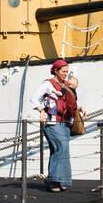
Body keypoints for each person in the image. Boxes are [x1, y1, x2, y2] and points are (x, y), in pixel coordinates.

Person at [30, 59, 75, 191]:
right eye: (63, 71)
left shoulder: (66, 85)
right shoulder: (48, 84)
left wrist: (80, 109)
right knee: (62, 146)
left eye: (67, 71)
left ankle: (60, 180)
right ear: (56, 71)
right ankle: (54, 179)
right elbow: (34, 98)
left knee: (60, 149)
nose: (65, 74)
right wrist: (41, 111)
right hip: (51, 121)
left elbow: (70, 101)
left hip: (64, 122)